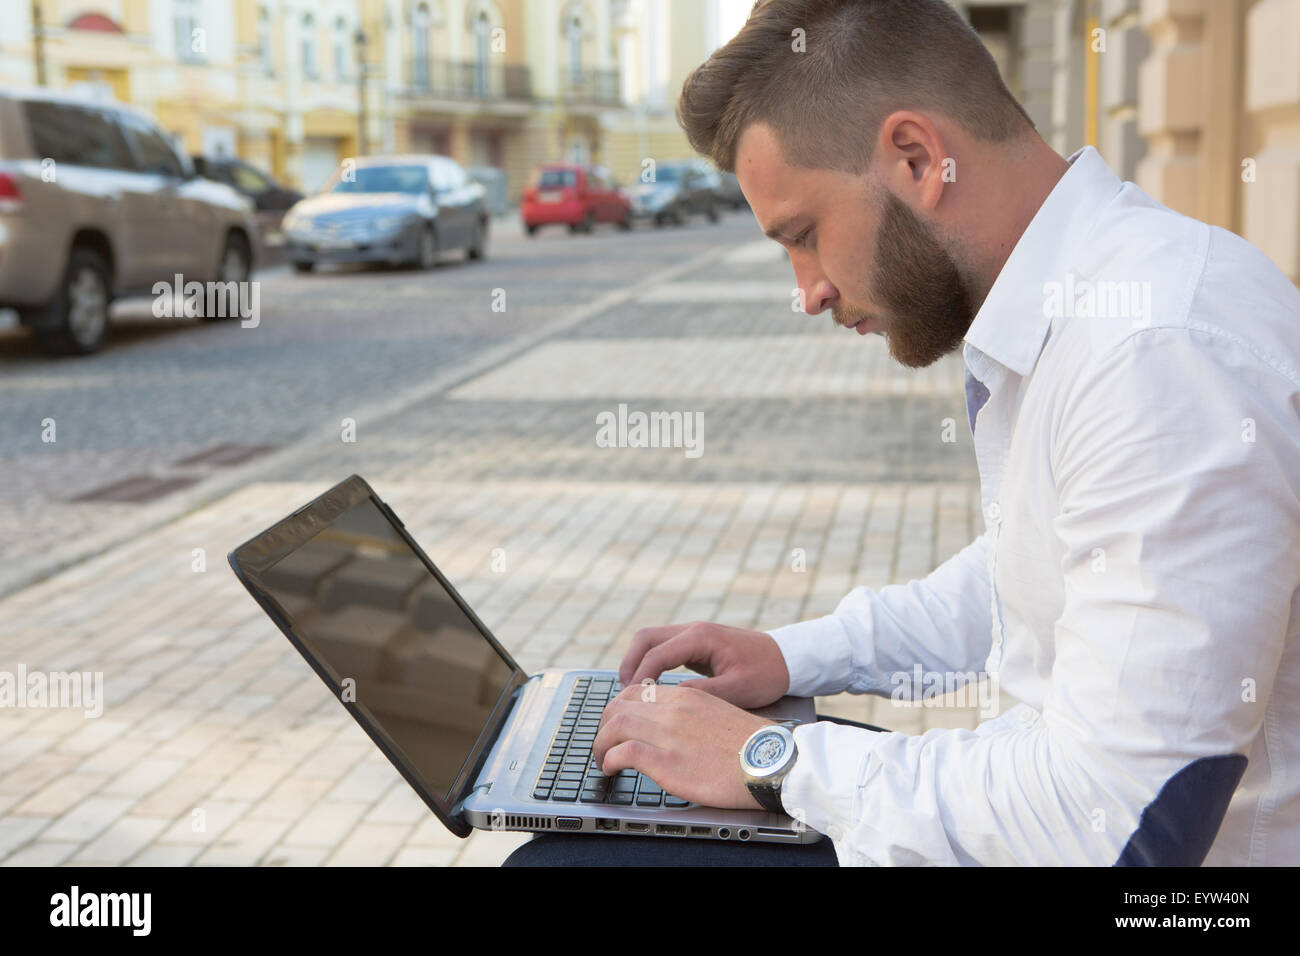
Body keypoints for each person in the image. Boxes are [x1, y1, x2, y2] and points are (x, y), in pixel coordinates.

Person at [505, 0, 1300, 866]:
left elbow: (1119, 823)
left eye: (803, 236)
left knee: (570, 862)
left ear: (917, 158)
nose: (806, 290)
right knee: (621, 819)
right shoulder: (1085, 304)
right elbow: (1026, 579)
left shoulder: (1156, 353)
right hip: (1051, 805)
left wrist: (768, 757)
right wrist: (790, 658)